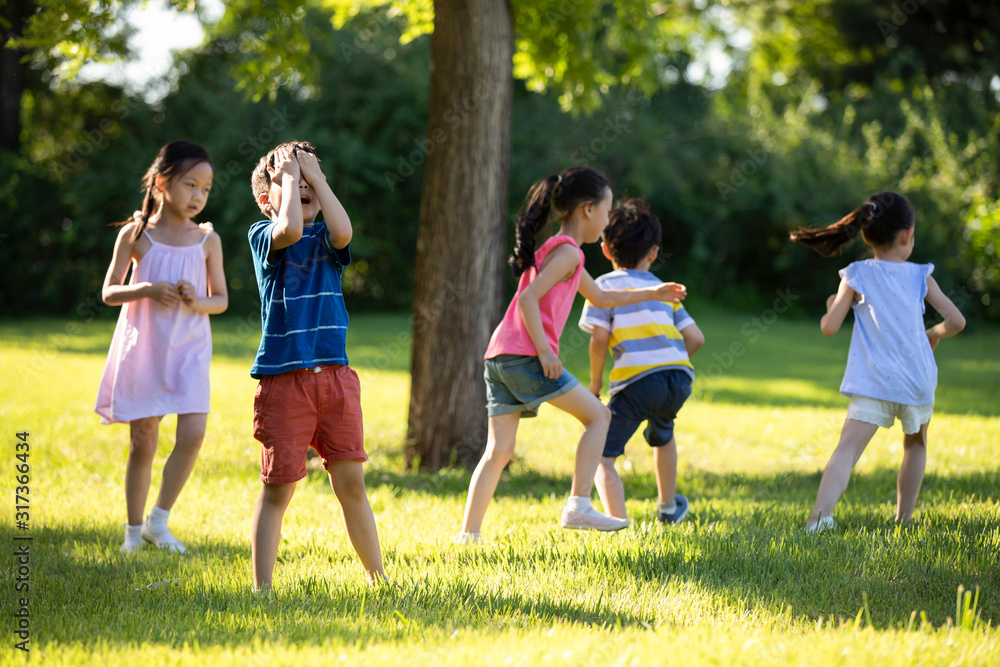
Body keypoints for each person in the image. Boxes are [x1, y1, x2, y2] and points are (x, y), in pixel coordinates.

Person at [455, 167, 687, 543]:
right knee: (599, 415)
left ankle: (469, 536)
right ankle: (579, 505)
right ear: (588, 211)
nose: (609, 220)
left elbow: (603, 298)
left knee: (499, 450)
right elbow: (528, 299)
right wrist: (545, 352)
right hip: (526, 354)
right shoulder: (566, 253)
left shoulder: (562, 252)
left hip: (499, 355)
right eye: (608, 211)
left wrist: (654, 292)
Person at [248, 141, 385, 593]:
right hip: (285, 382)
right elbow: (286, 228)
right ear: (267, 198)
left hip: (336, 379)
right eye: (292, 182)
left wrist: (316, 179)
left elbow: (344, 231)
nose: (302, 185)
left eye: (310, 181)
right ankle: (262, 589)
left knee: (352, 484)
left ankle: (378, 578)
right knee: (278, 490)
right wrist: (286, 176)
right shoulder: (263, 235)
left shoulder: (327, 239)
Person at [789, 191, 965, 531]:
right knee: (915, 444)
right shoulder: (920, 276)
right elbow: (957, 322)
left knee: (847, 449)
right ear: (907, 235)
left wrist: (832, 305)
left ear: (866, 234)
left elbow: (829, 328)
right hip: (917, 380)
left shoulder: (856, 275)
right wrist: (935, 334)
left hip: (875, 381)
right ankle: (904, 519)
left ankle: (819, 518)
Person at [96, 140, 228, 554]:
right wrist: (147, 289)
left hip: (189, 349)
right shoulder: (136, 236)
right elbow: (109, 292)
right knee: (144, 442)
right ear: (161, 182)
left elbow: (220, 300)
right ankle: (133, 533)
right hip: (146, 349)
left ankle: (159, 520)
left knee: (193, 433)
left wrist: (196, 300)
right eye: (191, 184)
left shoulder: (207, 241)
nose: (198, 196)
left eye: (205, 189)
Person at [579, 199, 704, 526]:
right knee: (663, 435)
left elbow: (599, 339)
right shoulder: (664, 291)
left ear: (605, 249)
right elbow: (696, 339)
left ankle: (618, 524)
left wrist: (594, 384)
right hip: (678, 381)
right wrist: (668, 362)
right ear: (653, 252)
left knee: (602, 456)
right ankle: (668, 509)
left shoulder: (603, 287)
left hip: (635, 382)